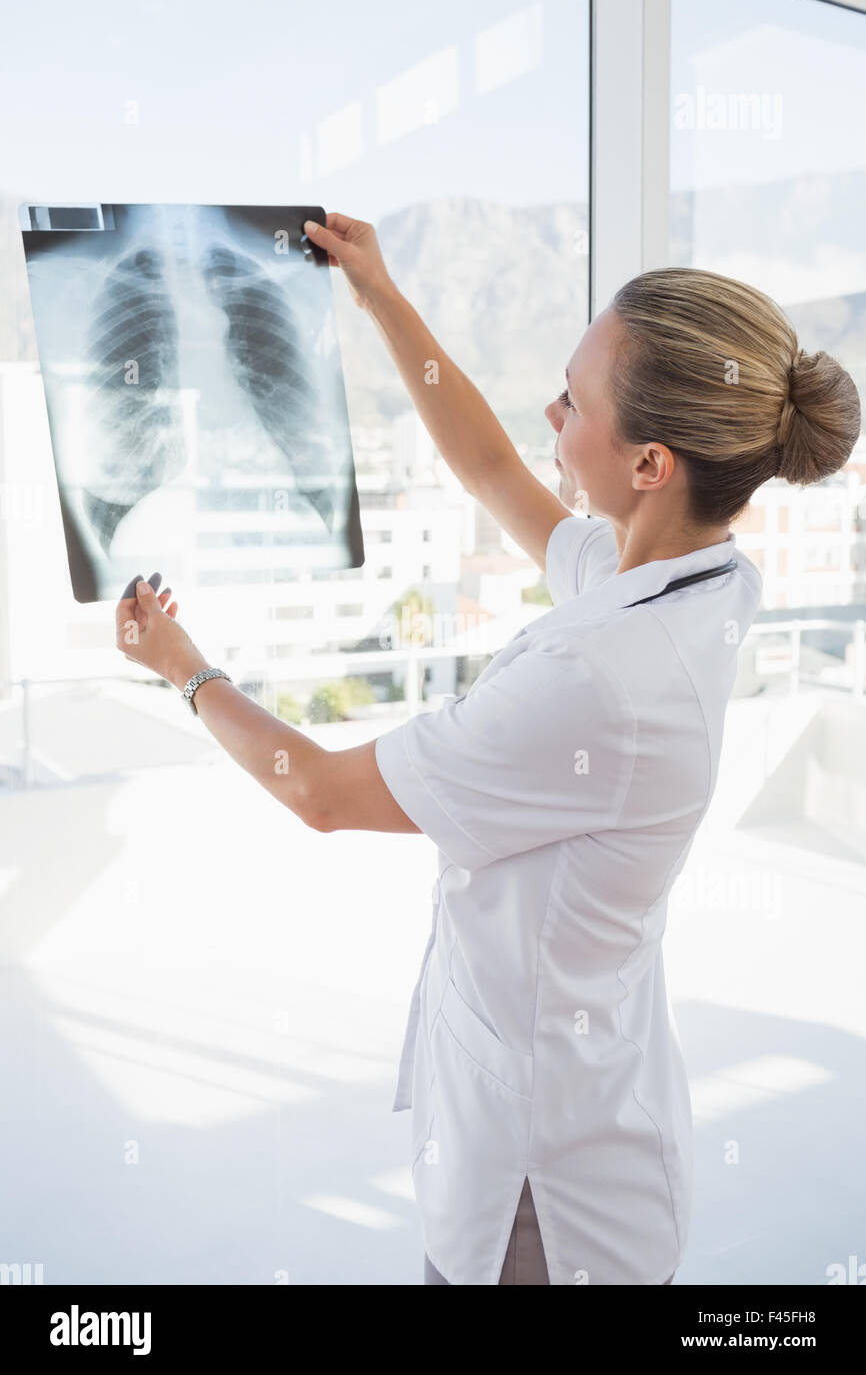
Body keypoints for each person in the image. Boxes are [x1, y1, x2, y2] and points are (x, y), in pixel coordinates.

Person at [116, 213, 861, 1286]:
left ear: (650, 461)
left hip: (538, 1204)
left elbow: (320, 792)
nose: (549, 414)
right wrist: (376, 291)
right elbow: (490, 470)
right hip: (585, 1097)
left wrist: (181, 667)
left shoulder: (599, 677)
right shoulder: (693, 570)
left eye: (574, 401)